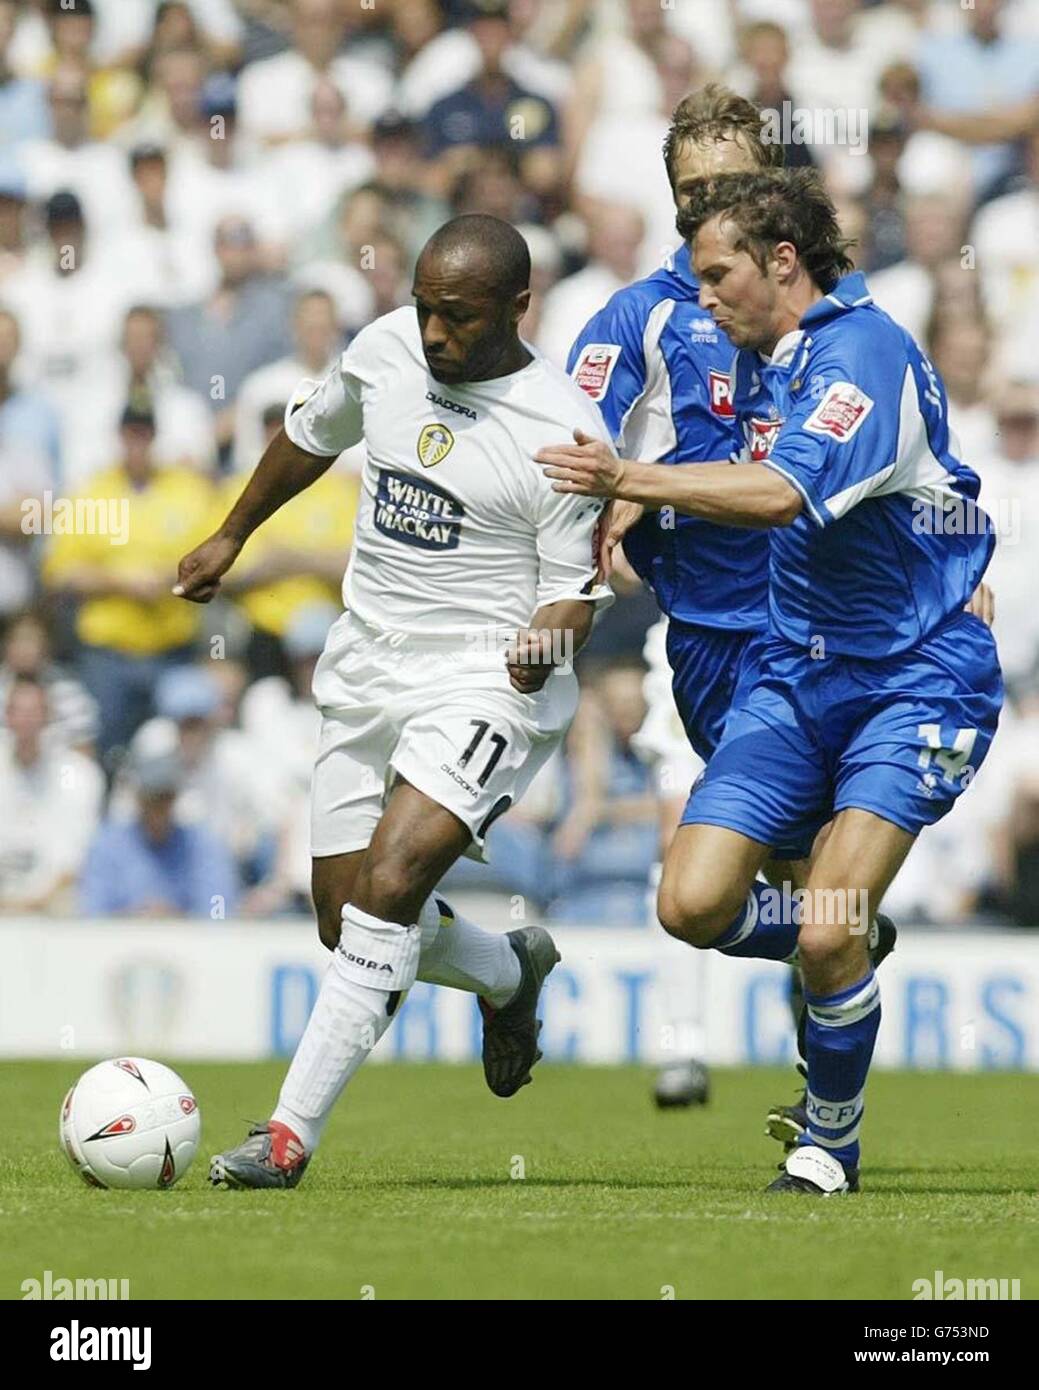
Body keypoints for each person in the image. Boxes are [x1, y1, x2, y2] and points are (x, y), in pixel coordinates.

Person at [536, 168, 1003, 1194]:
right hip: (794, 675)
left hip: (912, 679)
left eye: (716, 277)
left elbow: (786, 490)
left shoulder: (860, 353)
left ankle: (828, 1139)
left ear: (782, 262)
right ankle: (843, 932)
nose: (700, 300)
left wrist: (628, 481)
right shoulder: (788, 356)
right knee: (691, 904)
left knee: (824, 926)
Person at [173, 213, 614, 1189]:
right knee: (344, 918)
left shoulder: (563, 427)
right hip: (366, 667)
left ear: (515, 308)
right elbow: (307, 434)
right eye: (425, 309)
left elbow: (568, 593)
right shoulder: (383, 348)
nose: (436, 333)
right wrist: (230, 535)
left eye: (458, 317)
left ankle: (285, 1138)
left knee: (391, 885)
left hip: (485, 681)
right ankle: (507, 970)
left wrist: (542, 647)